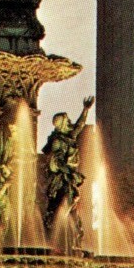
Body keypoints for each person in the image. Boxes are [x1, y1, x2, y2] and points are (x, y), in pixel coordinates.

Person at [42, 96, 95, 234]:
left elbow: (79, 126)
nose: (70, 122)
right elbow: (58, 162)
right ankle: (56, 226)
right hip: (62, 177)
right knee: (68, 199)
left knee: (72, 200)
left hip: (69, 175)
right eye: (68, 120)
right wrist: (71, 173)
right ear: (62, 124)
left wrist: (85, 109)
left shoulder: (69, 137)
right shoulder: (58, 141)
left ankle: (68, 229)